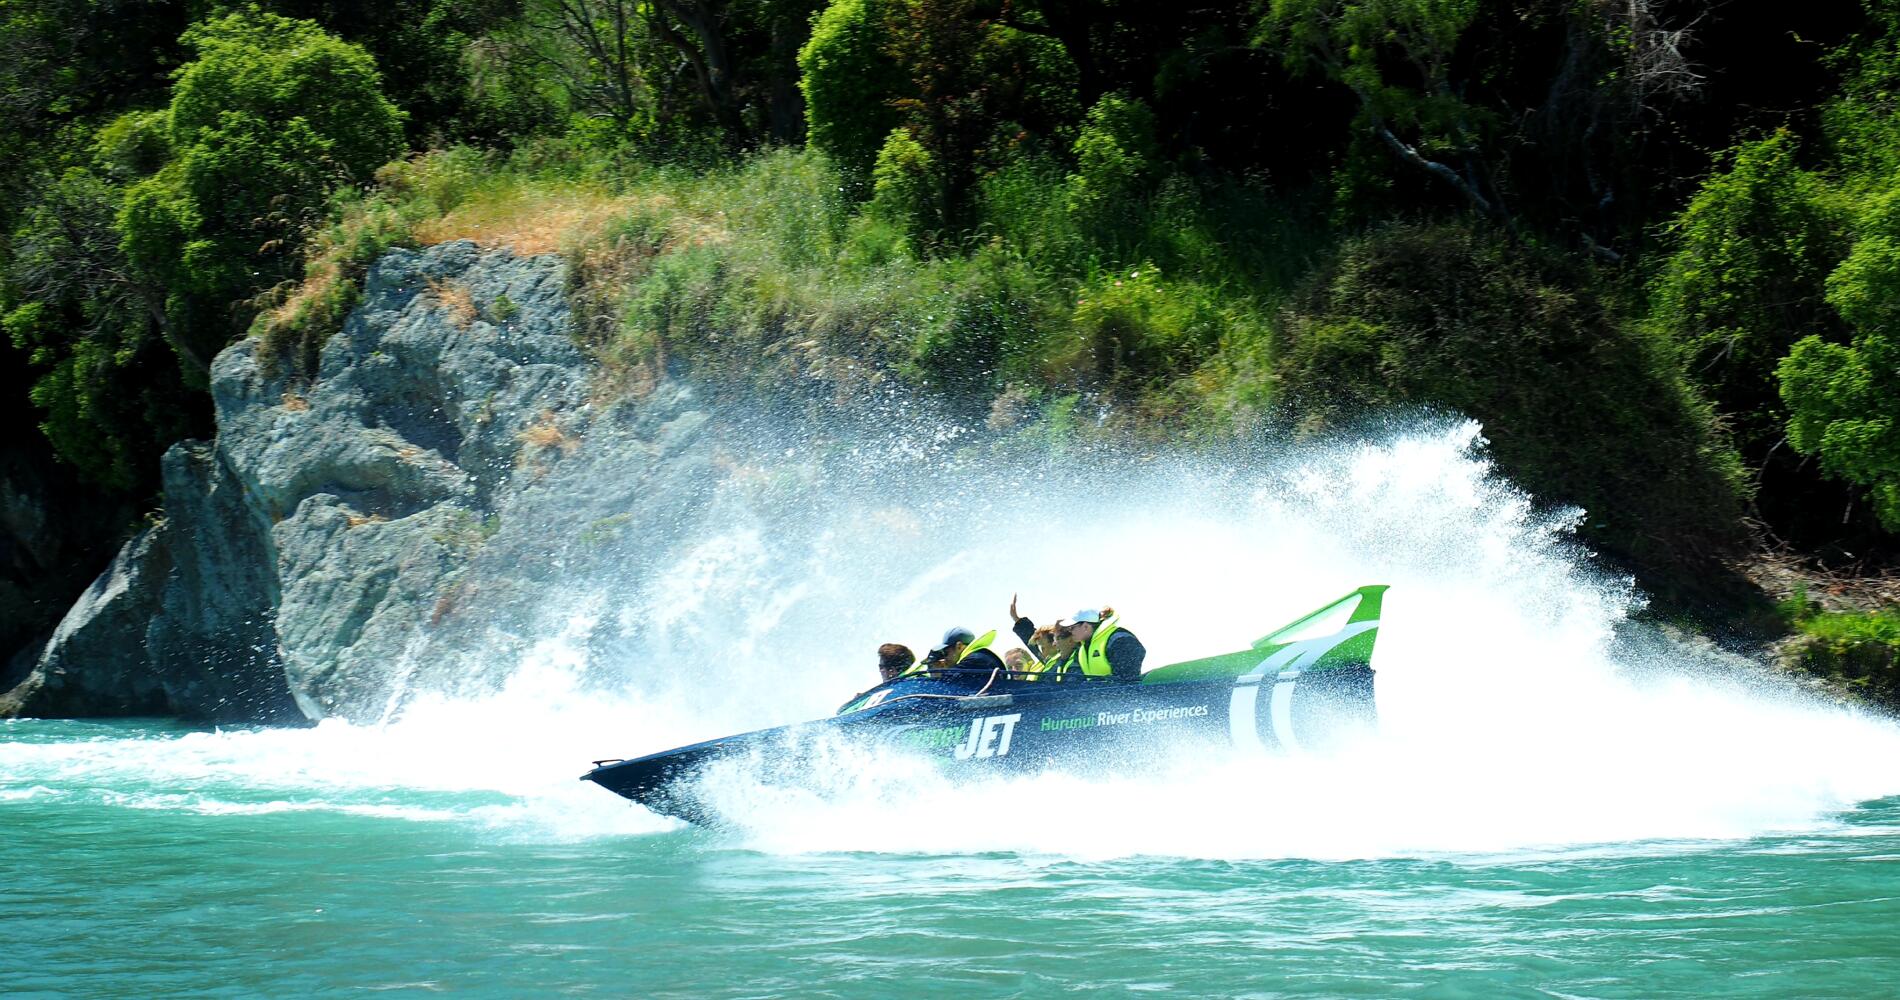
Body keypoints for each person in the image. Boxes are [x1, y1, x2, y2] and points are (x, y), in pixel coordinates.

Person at [1056, 607, 1145, 682]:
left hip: (1124, 698)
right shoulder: (1082, 649)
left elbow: (1126, 679)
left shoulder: (1119, 639)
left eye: (1072, 628)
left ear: (1086, 626)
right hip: (1100, 698)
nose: (1070, 632)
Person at [923, 625, 1006, 679]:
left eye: (946, 653)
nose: (945, 658)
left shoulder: (974, 660)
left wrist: (938, 671)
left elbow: (947, 682)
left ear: (959, 646)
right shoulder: (980, 655)